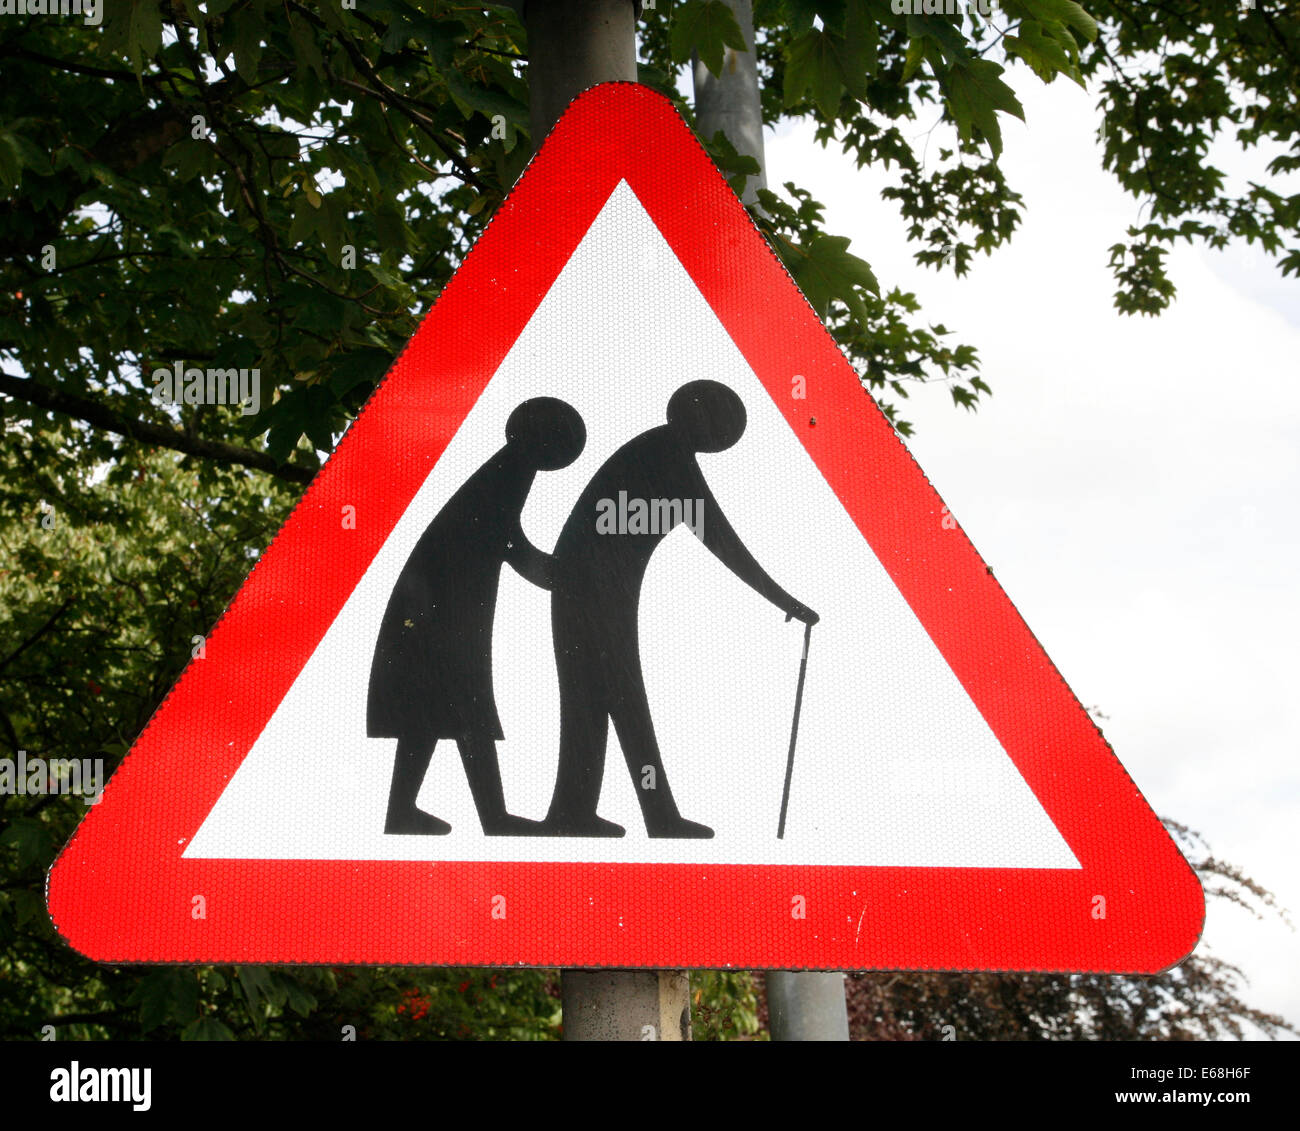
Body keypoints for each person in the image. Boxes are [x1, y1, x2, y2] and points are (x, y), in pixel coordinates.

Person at [540, 380, 818, 838]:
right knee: (621, 699)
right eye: (721, 425)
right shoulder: (666, 458)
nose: (723, 435)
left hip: (590, 590)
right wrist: (786, 602)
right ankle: (655, 815)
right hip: (593, 593)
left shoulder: (659, 450)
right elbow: (723, 542)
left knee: (594, 700)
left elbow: (714, 534)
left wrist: (787, 602)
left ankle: (575, 810)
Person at [368, 397, 585, 835]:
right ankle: (492, 818)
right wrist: (564, 576)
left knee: (432, 712)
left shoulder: (505, 470)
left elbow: (503, 539)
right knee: (465, 707)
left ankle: (406, 812)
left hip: (442, 607)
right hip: (443, 612)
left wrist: (553, 574)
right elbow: (507, 539)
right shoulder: (507, 475)